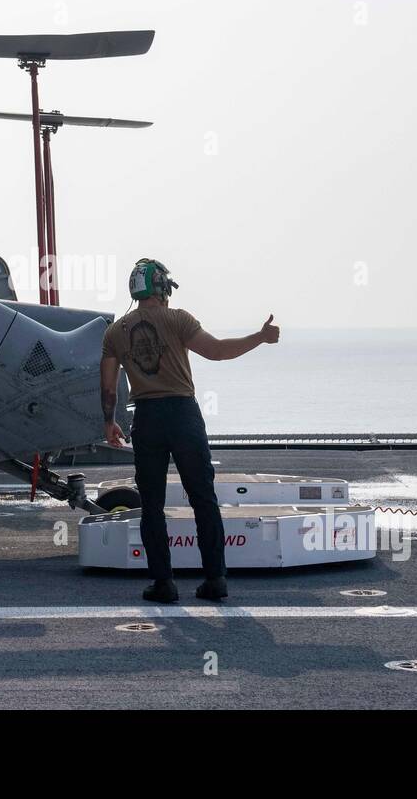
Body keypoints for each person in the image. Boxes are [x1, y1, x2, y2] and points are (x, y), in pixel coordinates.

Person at [100, 258, 279, 603]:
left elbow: (109, 388)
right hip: (183, 413)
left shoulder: (114, 333)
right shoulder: (179, 319)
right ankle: (216, 579)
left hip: (147, 419)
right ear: (161, 287)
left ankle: (163, 583)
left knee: (151, 506)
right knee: (203, 499)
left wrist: (110, 423)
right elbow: (217, 352)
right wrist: (259, 337)